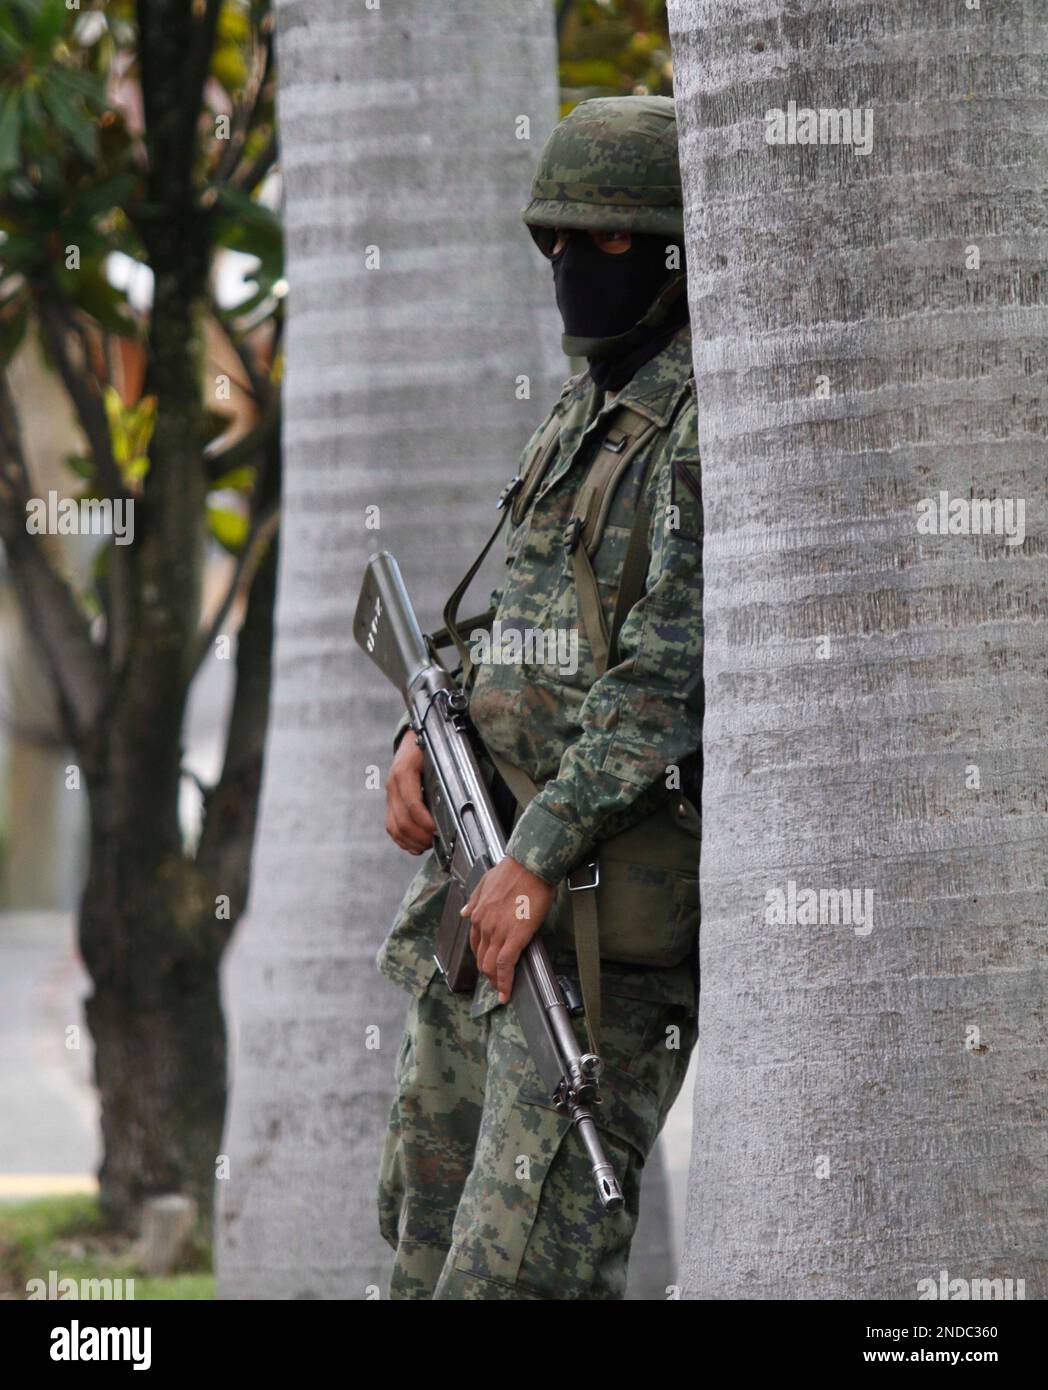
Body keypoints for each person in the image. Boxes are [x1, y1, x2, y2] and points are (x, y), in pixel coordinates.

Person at [375, 95, 703, 1300]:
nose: (576, 267)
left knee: (521, 1277)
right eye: (559, 241)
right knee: (419, 1241)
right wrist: (423, 722)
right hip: (487, 909)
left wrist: (543, 852)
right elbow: (526, 626)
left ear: (676, 250)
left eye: (610, 243)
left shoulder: (702, 428)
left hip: (595, 950)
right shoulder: (586, 408)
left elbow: (670, 675)